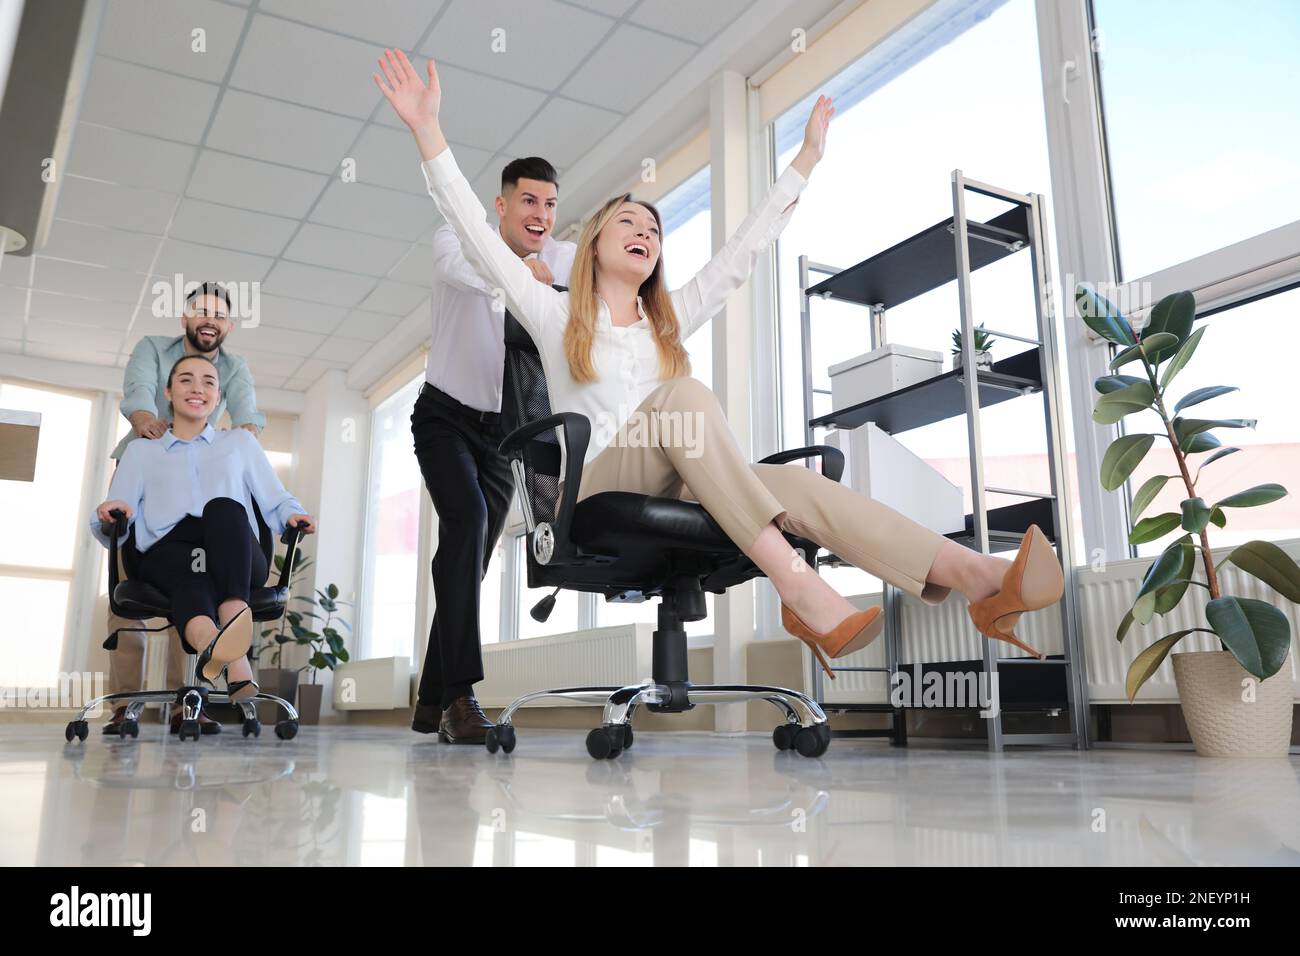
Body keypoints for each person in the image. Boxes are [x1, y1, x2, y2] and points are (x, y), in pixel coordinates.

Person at [374, 49, 1064, 677]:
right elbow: (470, 224)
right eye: (628, 224)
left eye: (653, 229)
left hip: (680, 477)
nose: (645, 232)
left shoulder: (666, 325)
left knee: (801, 487)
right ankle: (798, 586)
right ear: (591, 249)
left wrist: (804, 164)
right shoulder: (552, 313)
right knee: (684, 396)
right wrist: (427, 132)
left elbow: (742, 254)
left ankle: (978, 580)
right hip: (596, 486)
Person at [410, 157, 576, 743]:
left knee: (470, 561)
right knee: (469, 524)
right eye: (529, 201)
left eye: (551, 204)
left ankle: (431, 702)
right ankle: (460, 701)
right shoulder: (456, 236)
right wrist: (525, 276)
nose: (542, 215)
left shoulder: (561, 258)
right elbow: (474, 271)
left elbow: (602, 283)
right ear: (502, 205)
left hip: (503, 433)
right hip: (444, 418)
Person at [91, 354, 315, 703]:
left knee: (223, 508)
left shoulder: (240, 443)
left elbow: (278, 499)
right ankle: (234, 659)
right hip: (169, 553)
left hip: (234, 551)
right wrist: (110, 513)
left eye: (208, 382)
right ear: (167, 391)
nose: (198, 388)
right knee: (192, 583)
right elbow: (114, 511)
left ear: (218, 394)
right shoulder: (141, 452)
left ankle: (225, 640)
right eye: (185, 380)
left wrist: (294, 516)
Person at [103, 282, 267, 734]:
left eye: (218, 314)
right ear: (186, 317)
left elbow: (248, 412)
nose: (209, 320)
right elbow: (137, 391)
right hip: (145, 469)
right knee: (130, 594)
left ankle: (184, 701)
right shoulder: (154, 349)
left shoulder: (235, 367)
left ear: (228, 326)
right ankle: (125, 704)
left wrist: (244, 439)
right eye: (201, 311)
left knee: (195, 580)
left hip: (200, 485)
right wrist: (147, 424)